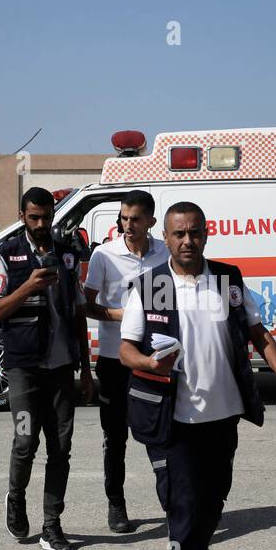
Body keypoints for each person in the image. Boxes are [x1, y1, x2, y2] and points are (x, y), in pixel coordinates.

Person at [119, 201, 276, 550]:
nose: (187, 241)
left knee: (213, 501)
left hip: (222, 417)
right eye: (179, 234)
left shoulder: (227, 280)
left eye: (195, 232)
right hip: (175, 420)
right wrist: (148, 364)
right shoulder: (152, 285)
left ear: (206, 233)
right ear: (166, 237)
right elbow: (126, 349)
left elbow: (258, 333)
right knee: (183, 512)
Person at [0, 186, 94, 550]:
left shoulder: (67, 255)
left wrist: (86, 369)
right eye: (33, 217)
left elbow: (78, 313)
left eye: (46, 217)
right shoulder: (6, 254)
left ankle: (52, 524)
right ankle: (16, 497)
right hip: (24, 368)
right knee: (25, 440)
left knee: (61, 448)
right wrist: (29, 286)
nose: (40, 223)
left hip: (62, 368)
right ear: (22, 217)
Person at [82, 190, 170, 532]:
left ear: (150, 221)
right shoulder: (104, 254)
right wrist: (125, 314)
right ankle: (116, 504)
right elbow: (87, 306)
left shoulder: (164, 252)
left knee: (159, 433)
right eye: (123, 218)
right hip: (114, 358)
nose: (128, 225)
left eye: (135, 219)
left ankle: (173, 504)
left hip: (153, 356)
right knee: (115, 436)